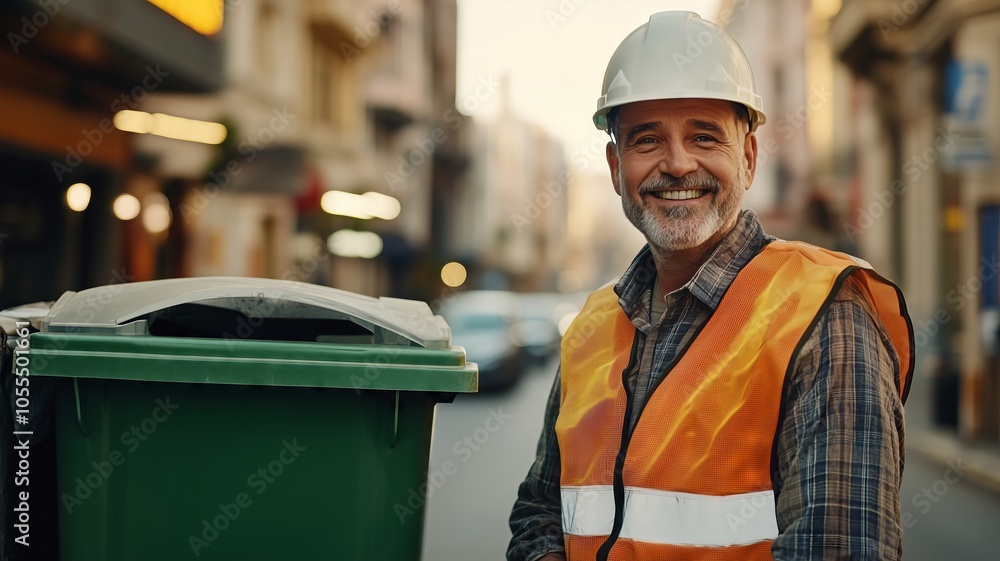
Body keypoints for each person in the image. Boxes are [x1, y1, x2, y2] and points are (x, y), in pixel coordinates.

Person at [507, 11, 913, 561]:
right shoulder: (592, 327)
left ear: (747, 157)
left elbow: (841, 549)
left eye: (704, 136)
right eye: (647, 140)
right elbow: (539, 514)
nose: (677, 164)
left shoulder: (823, 315)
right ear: (615, 164)